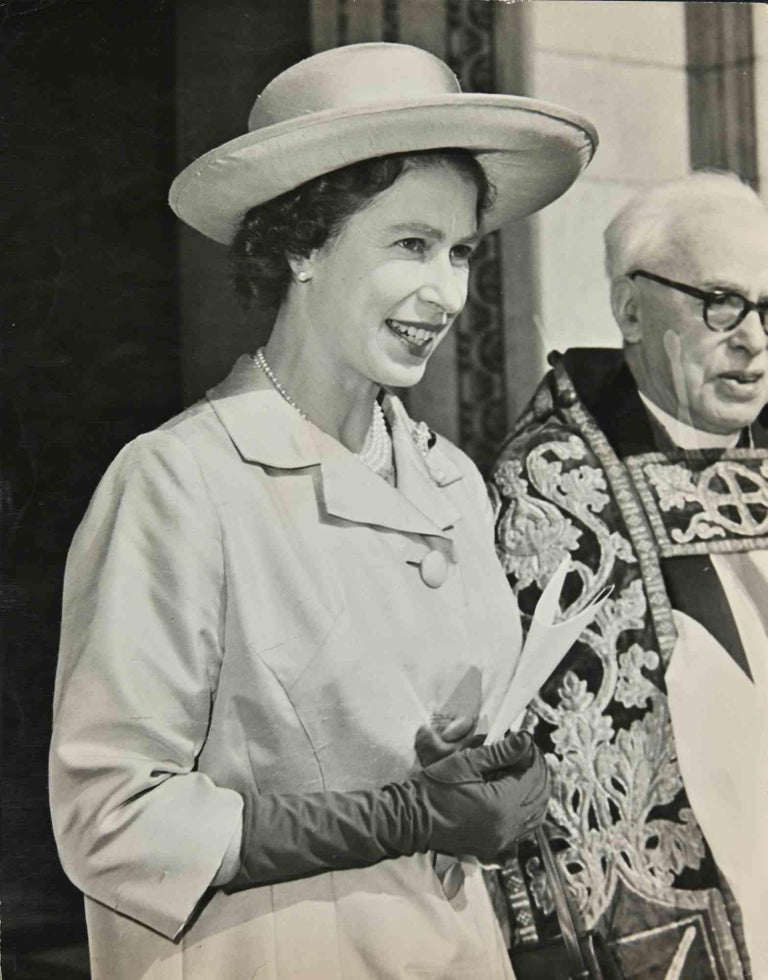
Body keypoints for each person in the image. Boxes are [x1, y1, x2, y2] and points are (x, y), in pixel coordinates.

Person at [49, 43, 597, 979]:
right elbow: (109, 820)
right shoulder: (180, 480)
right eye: (410, 245)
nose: (445, 293)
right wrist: (400, 817)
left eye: (461, 252)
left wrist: (496, 781)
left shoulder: (454, 483)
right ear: (302, 245)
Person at [490, 170, 768, 980]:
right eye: (721, 302)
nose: (753, 338)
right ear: (631, 310)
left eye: (767, 306)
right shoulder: (556, 486)